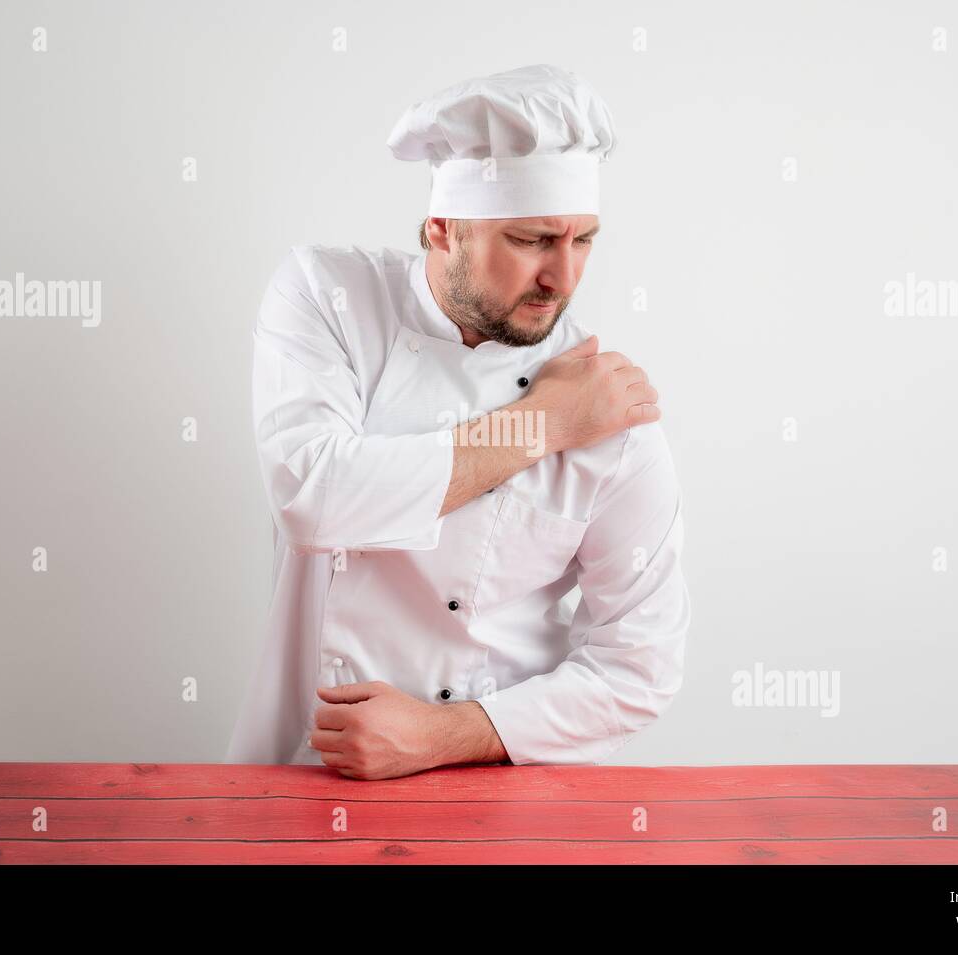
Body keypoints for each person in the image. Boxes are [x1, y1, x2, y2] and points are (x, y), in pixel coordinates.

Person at [225, 64, 691, 779]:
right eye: (533, 239)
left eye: (584, 240)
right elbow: (314, 499)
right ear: (443, 230)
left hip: (496, 793)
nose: (562, 278)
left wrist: (441, 733)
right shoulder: (329, 298)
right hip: (295, 772)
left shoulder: (610, 413)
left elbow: (639, 668)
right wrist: (536, 427)